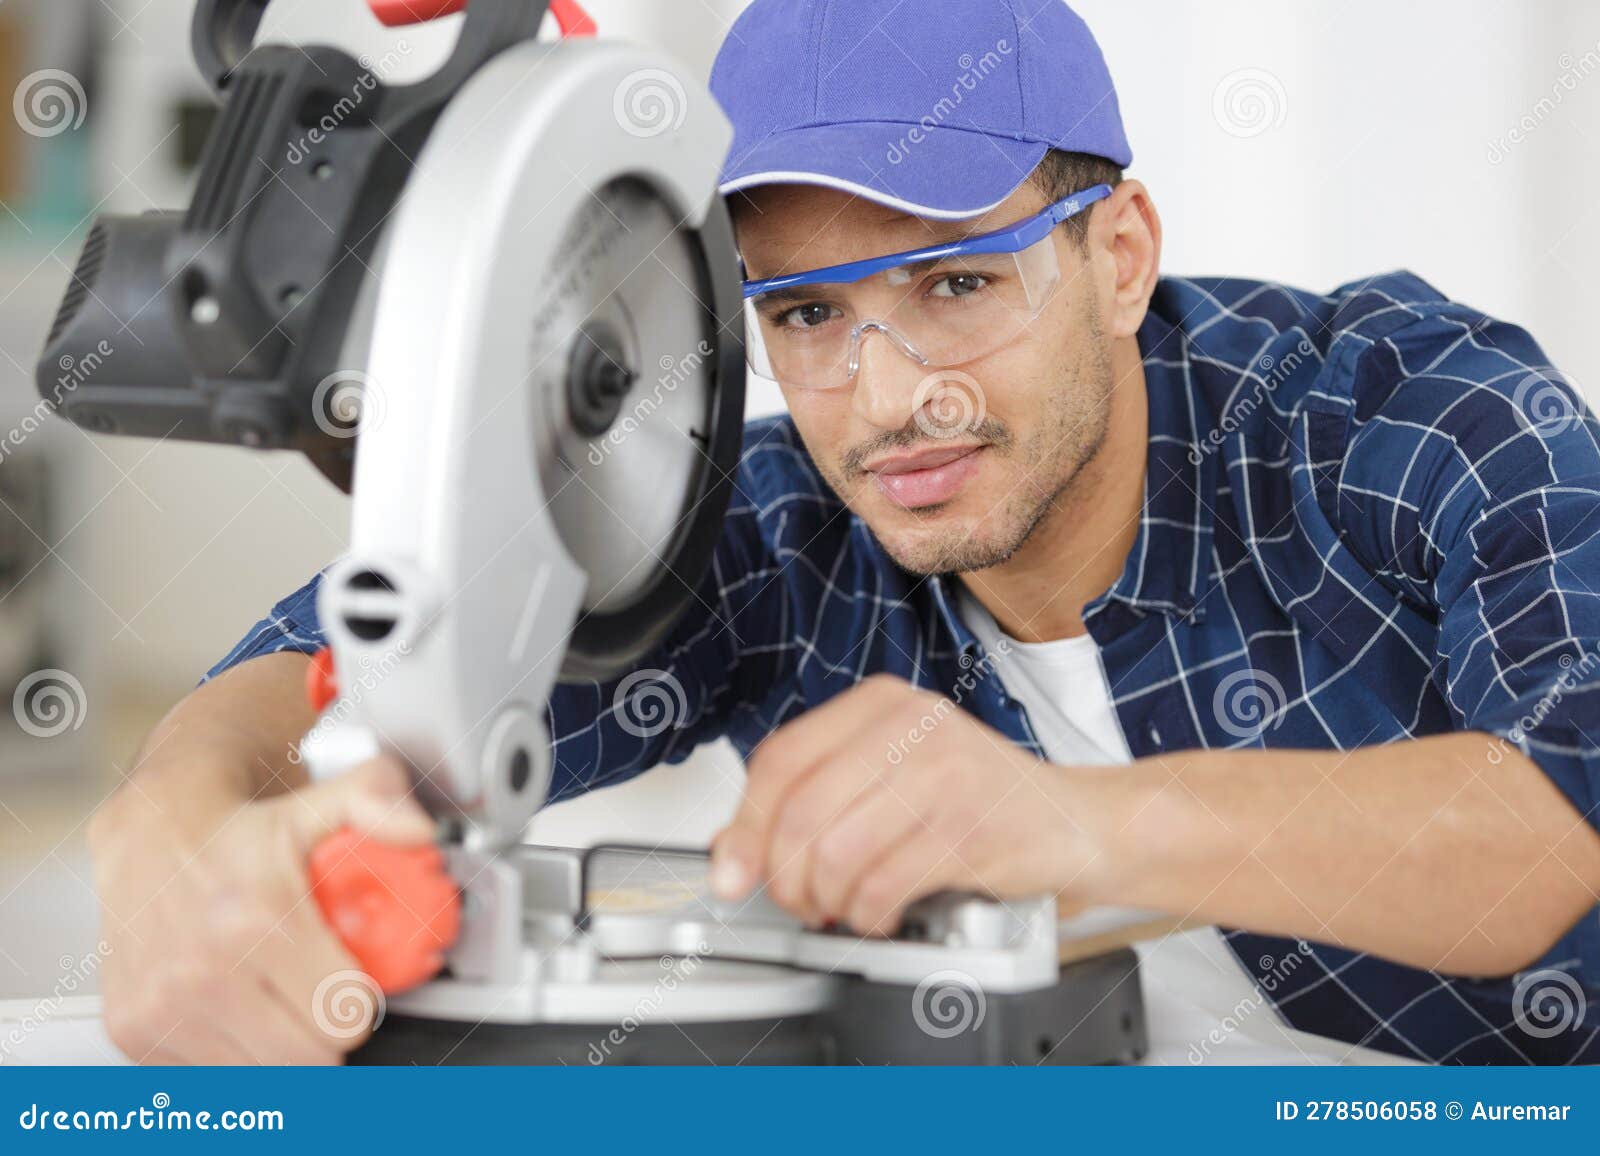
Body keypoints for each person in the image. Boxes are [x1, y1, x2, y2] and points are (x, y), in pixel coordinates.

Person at [89, 0, 1600, 1065]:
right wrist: (172, 834)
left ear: (1121, 255)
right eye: (808, 315)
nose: (888, 401)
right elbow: (325, 664)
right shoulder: (775, 533)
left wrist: (1074, 826)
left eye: (958, 283)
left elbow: (1562, 815)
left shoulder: (1412, 415)